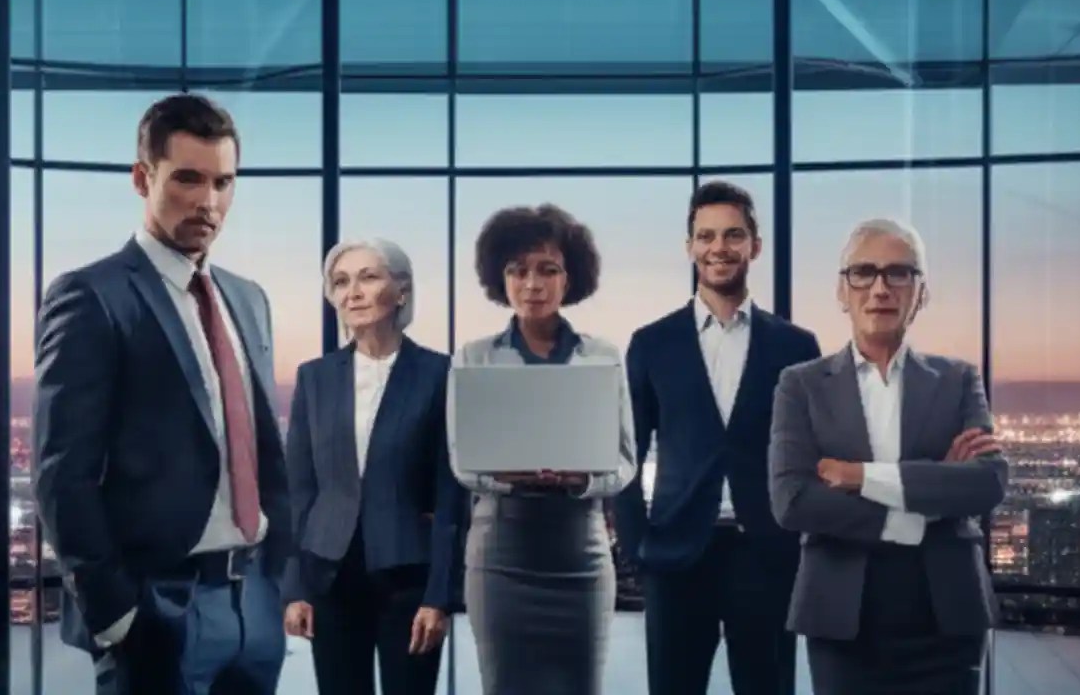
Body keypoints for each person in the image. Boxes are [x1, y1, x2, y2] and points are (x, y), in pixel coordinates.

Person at [32, 94, 290, 694]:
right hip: (156, 607)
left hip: (253, 600)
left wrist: (278, 575)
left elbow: (262, 445)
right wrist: (116, 613)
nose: (209, 201)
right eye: (189, 179)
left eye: (224, 182)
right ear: (143, 178)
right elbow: (60, 473)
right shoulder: (92, 296)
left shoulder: (247, 299)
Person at [769, 218, 1008, 695]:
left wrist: (861, 476)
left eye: (899, 273)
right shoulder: (801, 384)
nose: (880, 287)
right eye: (864, 272)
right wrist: (919, 507)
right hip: (842, 620)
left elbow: (987, 482)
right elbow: (793, 500)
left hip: (948, 618)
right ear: (842, 290)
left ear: (921, 292)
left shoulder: (958, 379)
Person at [613, 180, 822, 695]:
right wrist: (639, 545)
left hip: (767, 555)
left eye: (732, 235)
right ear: (690, 248)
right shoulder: (651, 343)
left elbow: (812, 455)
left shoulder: (796, 346)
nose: (718, 248)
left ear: (754, 245)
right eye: (705, 236)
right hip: (676, 556)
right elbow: (624, 455)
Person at [447, 204, 636, 695]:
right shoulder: (474, 356)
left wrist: (581, 481)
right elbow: (462, 463)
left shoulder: (602, 355)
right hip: (501, 559)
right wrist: (513, 475)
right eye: (519, 270)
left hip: (582, 557)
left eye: (548, 270)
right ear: (500, 278)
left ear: (570, 277)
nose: (533, 283)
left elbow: (625, 462)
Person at [281, 238, 465, 695]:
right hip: (329, 576)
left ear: (401, 290)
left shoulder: (440, 374)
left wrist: (440, 597)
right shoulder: (314, 378)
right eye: (341, 282)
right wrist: (296, 588)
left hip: (409, 578)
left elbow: (451, 498)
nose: (353, 292)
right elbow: (298, 492)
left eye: (368, 277)